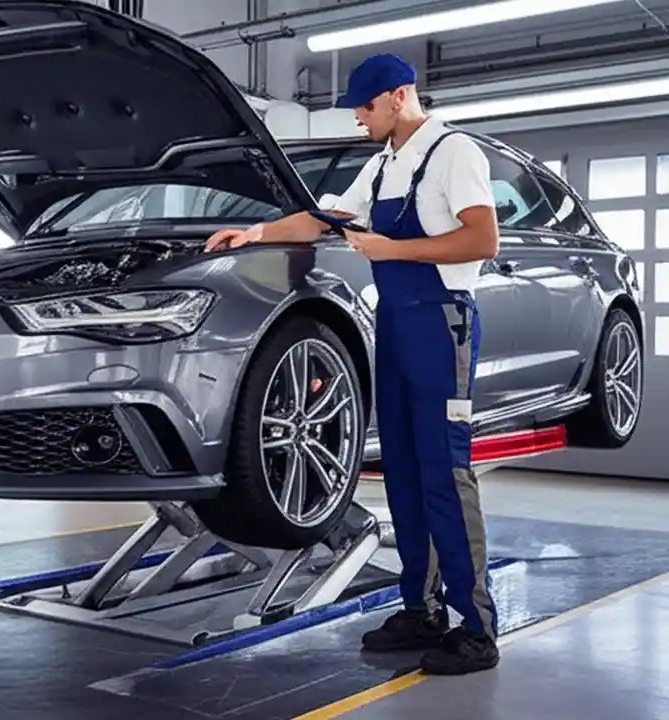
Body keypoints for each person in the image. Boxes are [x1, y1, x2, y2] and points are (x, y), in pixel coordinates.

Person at [204, 53, 501, 675]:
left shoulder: (454, 153)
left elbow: (481, 239)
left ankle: (476, 628)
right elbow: (324, 217)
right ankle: (421, 611)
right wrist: (254, 234)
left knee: (445, 474)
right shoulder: (384, 162)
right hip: (393, 322)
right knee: (400, 470)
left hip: (441, 321)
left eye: (366, 108)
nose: (360, 119)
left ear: (398, 97)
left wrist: (394, 248)